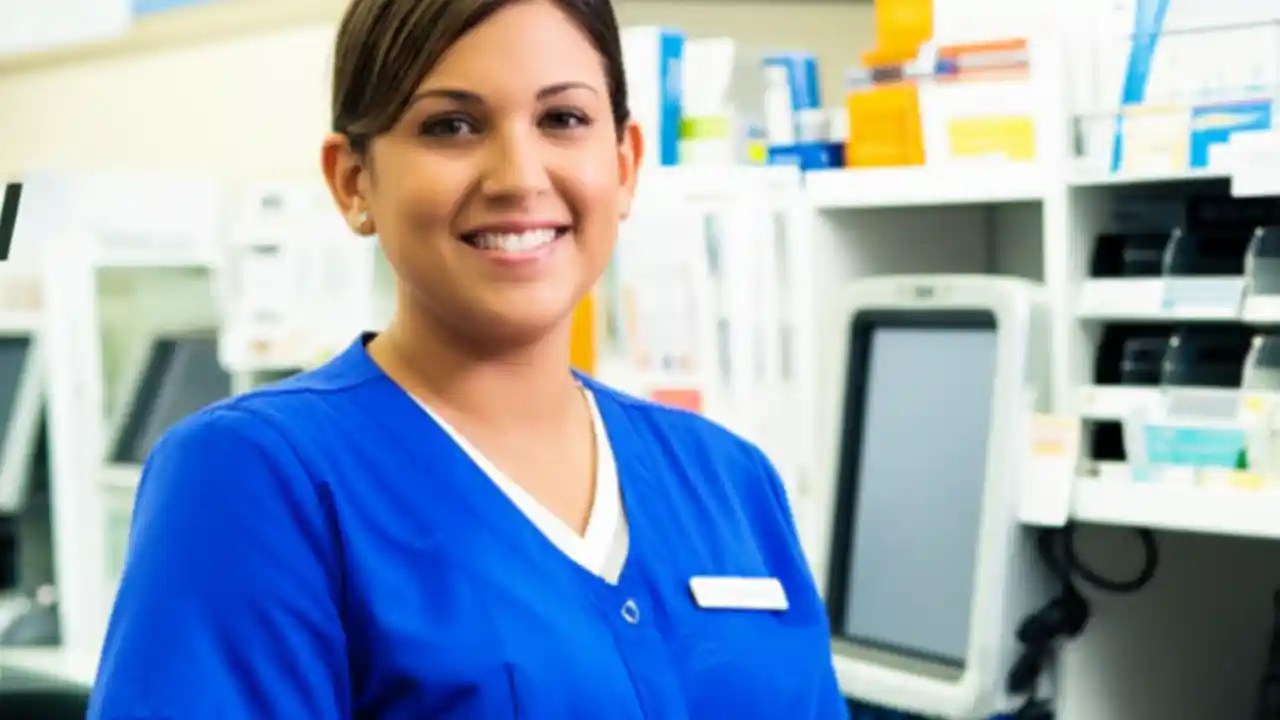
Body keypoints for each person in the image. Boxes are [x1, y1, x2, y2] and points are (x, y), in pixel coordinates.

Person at [87, 0, 848, 717]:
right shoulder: (256, 477)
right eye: (451, 125)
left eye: (563, 119)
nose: (518, 176)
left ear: (624, 165)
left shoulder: (730, 480)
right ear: (353, 181)